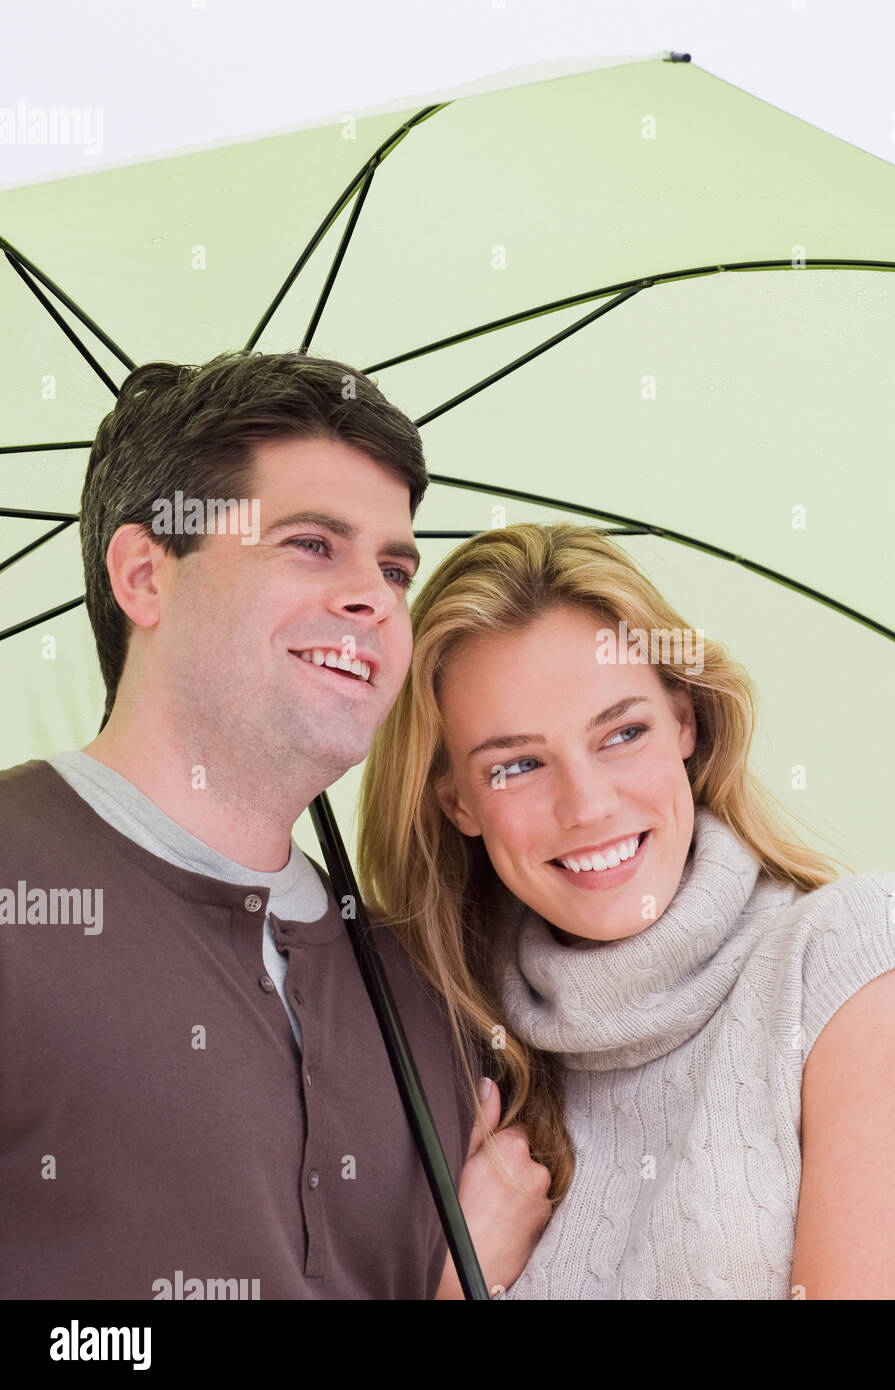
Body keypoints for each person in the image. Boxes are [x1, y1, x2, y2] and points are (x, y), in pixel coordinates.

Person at [0, 350, 551, 1299]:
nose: (373, 599)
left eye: (394, 567)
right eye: (311, 545)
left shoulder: (427, 987)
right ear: (144, 575)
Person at [356, 521, 895, 1299]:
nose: (586, 807)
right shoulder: (440, 1049)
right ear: (456, 801)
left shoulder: (852, 963)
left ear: (683, 720)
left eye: (621, 732)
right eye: (517, 765)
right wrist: (453, 1282)